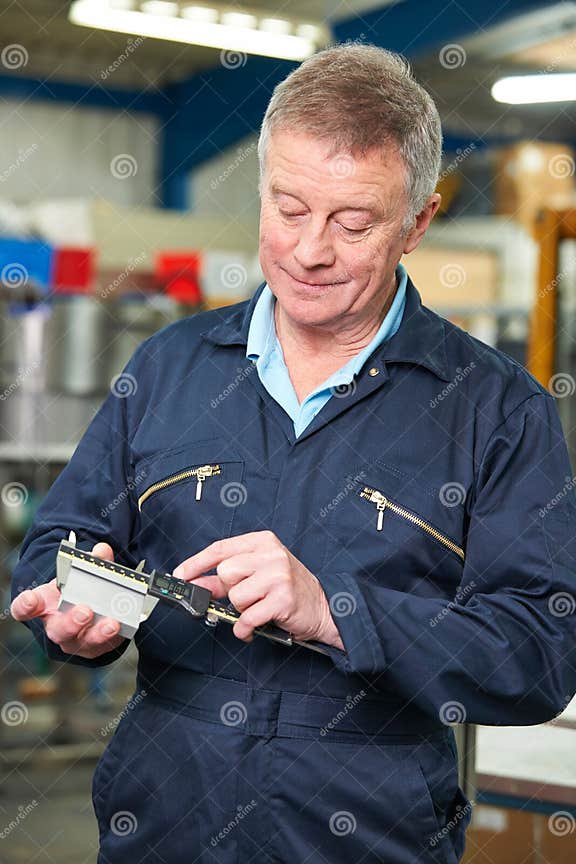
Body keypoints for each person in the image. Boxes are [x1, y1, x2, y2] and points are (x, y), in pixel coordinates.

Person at [11, 43, 576, 864]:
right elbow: (52, 545)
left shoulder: (494, 408)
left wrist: (338, 612)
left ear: (417, 223)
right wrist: (73, 615)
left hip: (368, 837)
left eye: (353, 224)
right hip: (163, 825)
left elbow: (539, 651)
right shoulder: (169, 368)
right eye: (287, 208)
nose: (310, 251)